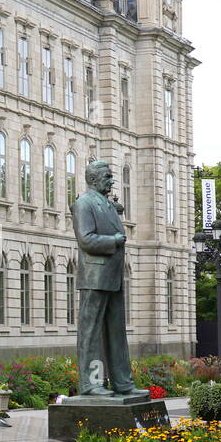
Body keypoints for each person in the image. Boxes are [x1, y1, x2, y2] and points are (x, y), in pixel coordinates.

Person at [73, 161, 146, 398]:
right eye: (107, 177)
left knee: (117, 332)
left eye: (112, 176)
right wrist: (114, 240)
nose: (112, 181)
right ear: (93, 179)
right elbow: (85, 240)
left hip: (113, 276)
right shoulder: (84, 203)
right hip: (94, 277)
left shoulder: (107, 204)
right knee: (91, 333)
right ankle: (92, 384)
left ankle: (123, 383)